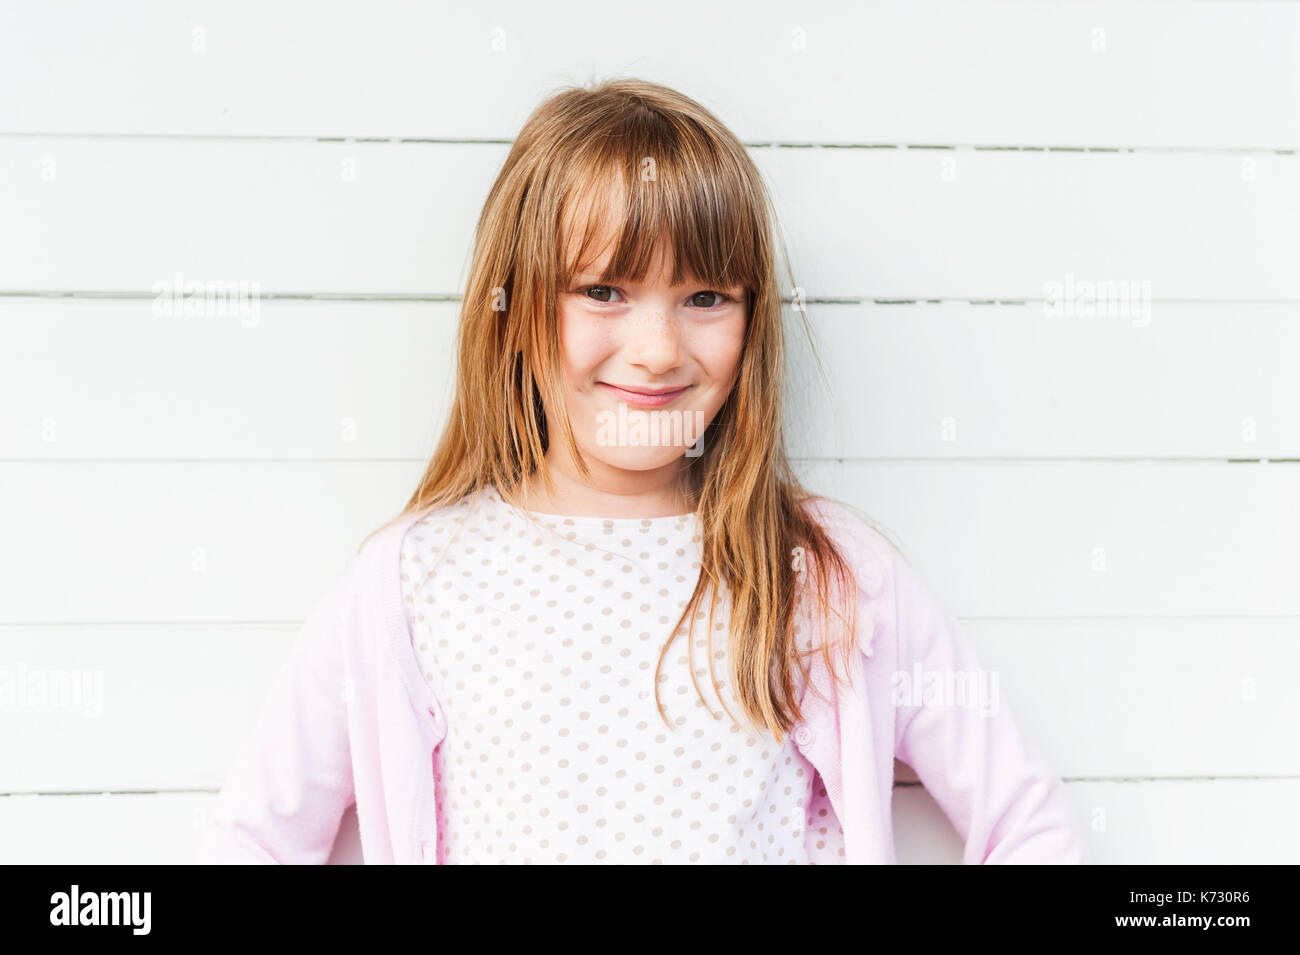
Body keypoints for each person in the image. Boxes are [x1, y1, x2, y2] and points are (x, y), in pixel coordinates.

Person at [200, 77, 1086, 864]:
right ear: (514, 311)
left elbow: (1027, 823)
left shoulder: (820, 574)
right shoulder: (412, 581)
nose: (657, 350)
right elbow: (256, 841)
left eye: (705, 297)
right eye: (603, 291)